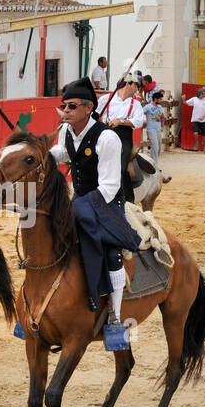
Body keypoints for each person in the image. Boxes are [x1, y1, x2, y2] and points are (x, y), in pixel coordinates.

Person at [48, 78, 142, 350]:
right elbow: (62, 154)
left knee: (111, 250)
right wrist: (40, 152)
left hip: (107, 201)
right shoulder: (66, 131)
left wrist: (82, 206)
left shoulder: (107, 137)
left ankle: (114, 317)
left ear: (88, 108)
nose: (65, 110)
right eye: (63, 105)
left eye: (72, 106)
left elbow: (111, 185)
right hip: (79, 198)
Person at [96, 74, 145, 202]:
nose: (137, 89)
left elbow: (138, 121)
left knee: (122, 168)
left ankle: (128, 199)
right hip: (105, 133)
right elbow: (94, 113)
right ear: (128, 84)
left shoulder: (135, 103)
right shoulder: (106, 99)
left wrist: (120, 121)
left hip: (124, 136)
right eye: (136, 85)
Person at [143, 90, 164, 166]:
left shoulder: (160, 107)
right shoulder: (147, 107)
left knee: (158, 148)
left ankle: (153, 163)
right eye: (160, 99)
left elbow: (162, 117)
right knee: (155, 147)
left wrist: (162, 126)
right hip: (151, 130)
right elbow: (141, 113)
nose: (161, 100)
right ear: (155, 99)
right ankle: (154, 166)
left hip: (158, 129)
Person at [187, 86, 205, 152]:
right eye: (203, 94)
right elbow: (186, 103)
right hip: (195, 119)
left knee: (204, 135)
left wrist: (203, 117)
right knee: (195, 133)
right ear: (199, 94)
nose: (204, 95)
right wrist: (183, 100)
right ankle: (197, 142)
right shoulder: (194, 99)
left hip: (203, 120)